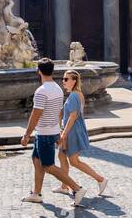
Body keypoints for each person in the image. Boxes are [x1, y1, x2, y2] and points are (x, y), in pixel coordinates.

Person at [21, 59, 86, 206]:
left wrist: (26, 135)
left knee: (49, 166)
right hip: (50, 131)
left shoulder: (41, 91)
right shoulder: (57, 88)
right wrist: (58, 131)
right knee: (37, 161)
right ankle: (36, 193)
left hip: (44, 133)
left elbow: (35, 115)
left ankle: (77, 188)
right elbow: (58, 112)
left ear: (39, 71)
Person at [53, 70, 108, 197]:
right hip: (72, 129)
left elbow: (72, 117)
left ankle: (100, 179)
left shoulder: (73, 96)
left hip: (72, 131)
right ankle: (64, 185)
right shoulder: (77, 94)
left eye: (66, 79)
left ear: (74, 81)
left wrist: (63, 134)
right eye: (63, 79)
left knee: (74, 161)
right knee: (62, 156)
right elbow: (68, 113)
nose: (63, 81)